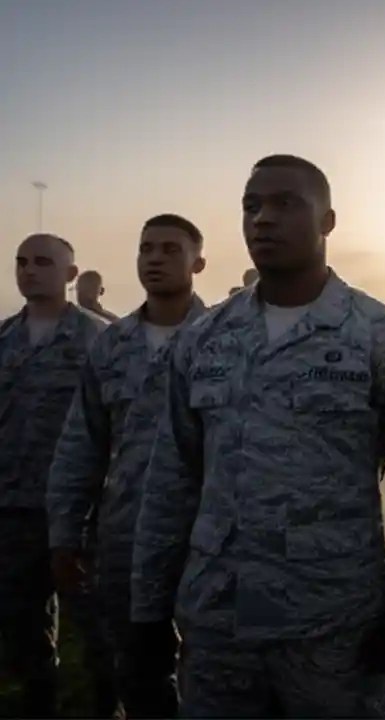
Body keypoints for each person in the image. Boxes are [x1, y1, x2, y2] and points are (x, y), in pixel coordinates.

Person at [130, 155, 385, 717]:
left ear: (328, 221)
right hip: (218, 627)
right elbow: (172, 480)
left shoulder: (384, 339)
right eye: (252, 206)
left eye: (286, 204)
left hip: (334, 628)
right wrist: (149, 606)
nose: (263, 219)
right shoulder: (206, 339)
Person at [47, 214, 208, 717]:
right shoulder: (111, 345)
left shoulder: (226, 339)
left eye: (169, 249)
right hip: (126, 536)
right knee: (136, 667)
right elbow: (82, 443)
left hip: (210, 534)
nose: (155, 259)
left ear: (197, 262)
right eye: (146, 249)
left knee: (215, 670)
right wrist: (65, 532)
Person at [1, 234, 108, 716]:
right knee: (22, 635)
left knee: (93, 642)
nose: (29, 270)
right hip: (13, 509)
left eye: (43, 262)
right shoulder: (3, 339)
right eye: (21, 262)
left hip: (81, 512)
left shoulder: (99, 340)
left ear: (70, 274)